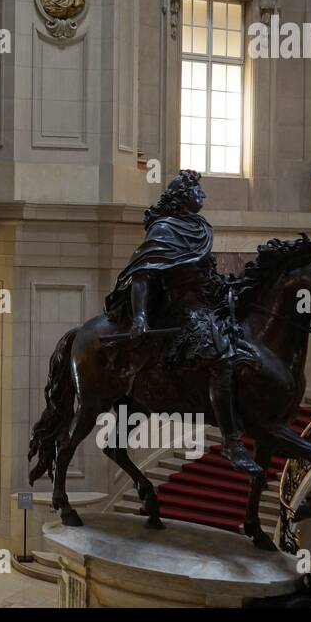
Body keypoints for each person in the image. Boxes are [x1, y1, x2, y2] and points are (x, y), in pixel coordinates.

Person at [103, 170, 260, 474]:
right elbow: (141, 276)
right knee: (222, 356)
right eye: (197, 191)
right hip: (180, 307)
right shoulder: (164, 230)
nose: (203, 196)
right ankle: (230, 440)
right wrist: (140, 316)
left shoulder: (198, 226)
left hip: (206, 299)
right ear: (181, 197)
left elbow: (205, 274)